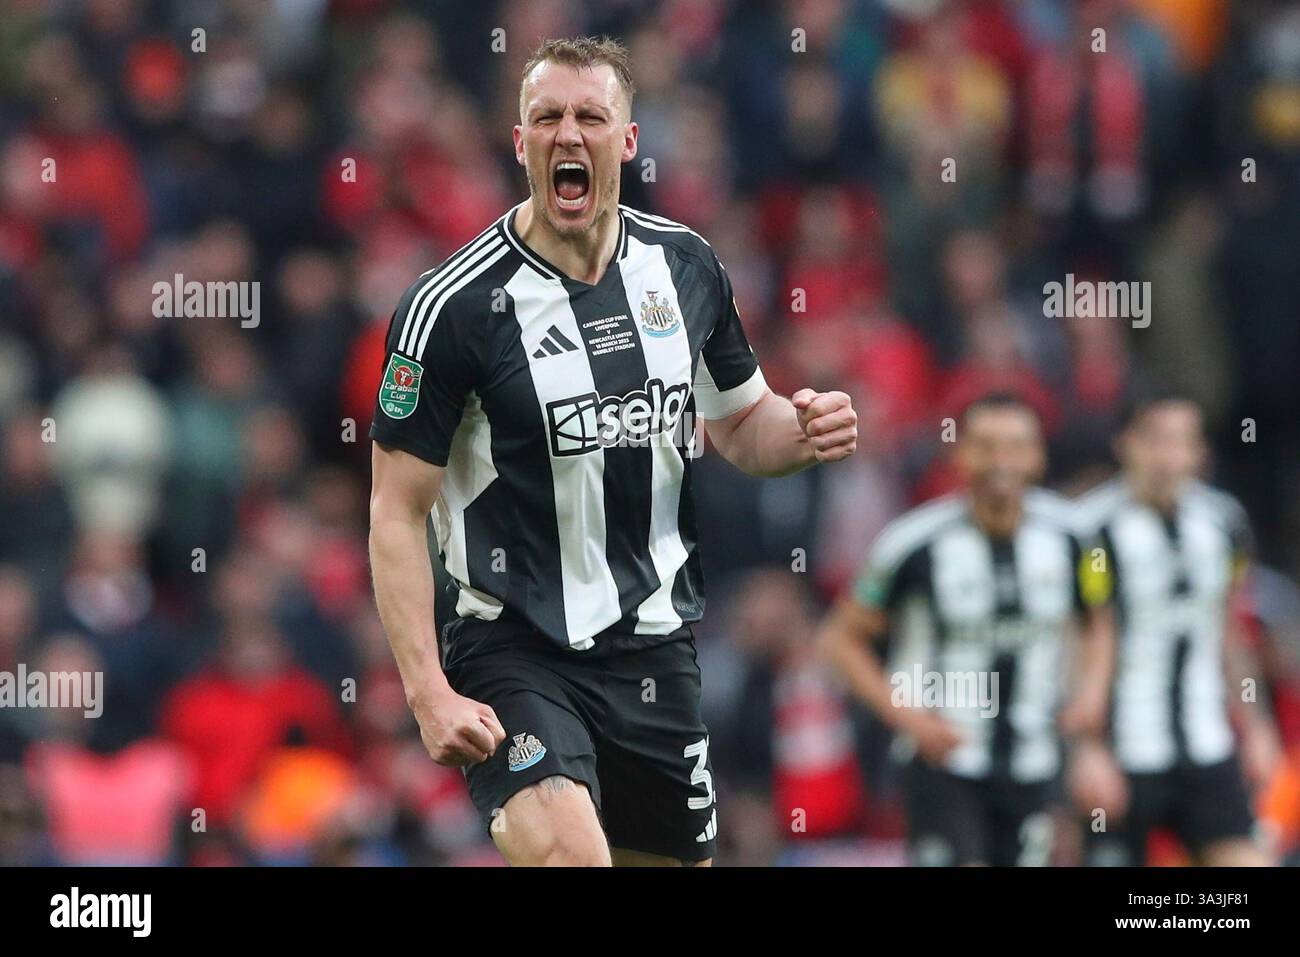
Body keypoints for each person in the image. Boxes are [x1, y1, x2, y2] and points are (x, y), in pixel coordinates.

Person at [366, 36, 857, 866]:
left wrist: (802, 432)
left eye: (590, 116)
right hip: (512, 645)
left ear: (627, 139)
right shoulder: (452, 306)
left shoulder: (686, 266)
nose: (568, 134)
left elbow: (741, 423)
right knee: (572, 856)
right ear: (519, 142)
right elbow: (394, 508)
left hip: (656, 649)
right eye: (546, 117)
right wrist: (426, 692)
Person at [817, 393, 1112, 865]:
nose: (1001, 461)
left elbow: (1098, 619)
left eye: (1016, 446)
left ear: (1038, 456)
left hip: (1033, 761)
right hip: (942, 762)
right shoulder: (910, 544)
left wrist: (1091, 699)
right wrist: (910, 719)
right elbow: (839, 640)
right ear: (961, 454)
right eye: (986, 446)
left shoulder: (1077, 540)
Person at [1072, 392, 1278, 866]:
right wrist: (1087, 749)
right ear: (1125, 444)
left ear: (1200, 452)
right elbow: (1076, 645)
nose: (1169, 457)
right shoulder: (1090, 531)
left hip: (1205, 744)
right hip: (1123, 751)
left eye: (1184, 442)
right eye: (1156, 440)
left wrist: (1257, 726)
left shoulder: (1224, 522)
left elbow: (1227, 631)